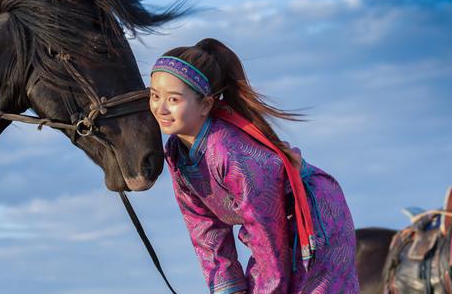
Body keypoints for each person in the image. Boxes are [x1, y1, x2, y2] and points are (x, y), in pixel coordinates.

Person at [149, 38, 359, 293]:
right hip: (270, 231)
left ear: (205, 104)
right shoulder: (175, 152)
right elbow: (203, 227)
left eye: (173, 99)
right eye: (154, 96)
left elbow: (266, 231)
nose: (160, 108)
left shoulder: (230, 152)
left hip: (314, 218)